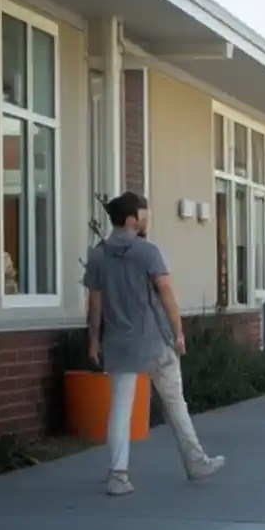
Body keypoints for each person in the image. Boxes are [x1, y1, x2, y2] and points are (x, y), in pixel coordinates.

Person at [84, 192, 225, 496]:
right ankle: (195, 461)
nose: (147, 219)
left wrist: (94, 340)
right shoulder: (147, 252)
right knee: (175, 403)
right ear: (132, 219)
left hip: (119, 343)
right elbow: (166, 292)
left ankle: (118, 475)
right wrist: (178, 332)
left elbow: (95, 304)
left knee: (121, 408)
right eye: (144, 214)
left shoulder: (98, 255)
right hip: (155, 340)